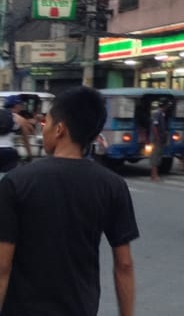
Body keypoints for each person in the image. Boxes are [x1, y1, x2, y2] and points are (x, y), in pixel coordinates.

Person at [0, 85, 138, 316]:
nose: (43, 129)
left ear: (60, 129)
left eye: (48, 123)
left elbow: (2, 266)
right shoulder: (113, 186)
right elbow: (124, 265)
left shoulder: (16, 183)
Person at [0, 98, 33, 173]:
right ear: (16, 106)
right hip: (8, 152)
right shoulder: (18, 118)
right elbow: (26, 138)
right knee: (8, 177)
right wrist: (29, 154)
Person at [149, 100, 168, 182]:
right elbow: (155, 126)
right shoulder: (157, 113)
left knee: (158, 156)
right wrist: (157, 137)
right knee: (155, 156)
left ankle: (154, 175)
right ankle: (154, 175)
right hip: (156, 139)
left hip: (159, 138)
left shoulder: (162, 114)